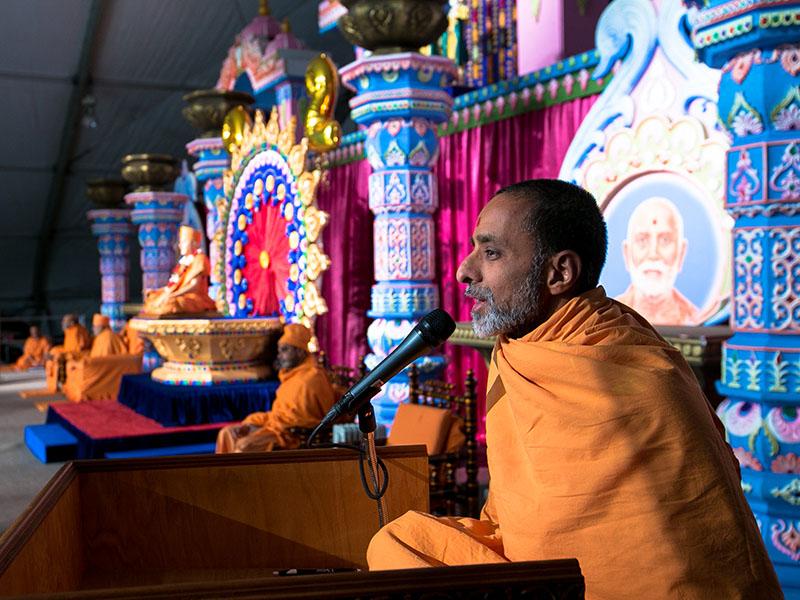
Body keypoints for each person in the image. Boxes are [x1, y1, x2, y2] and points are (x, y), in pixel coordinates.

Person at [367, 179, 781, 599]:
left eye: (491, 253)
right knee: (398, 542)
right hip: (542, 566)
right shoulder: (517, 349)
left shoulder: (636, 367)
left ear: (559, 272)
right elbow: (520, 514)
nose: (464, 271)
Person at [215, 323, 336, 453]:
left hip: (293, 436)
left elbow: (318, 417)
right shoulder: (290, 375)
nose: (279, 356)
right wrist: (252, 424)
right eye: (279, 351)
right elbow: (279, 415)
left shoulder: (313, 377)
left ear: (300, 352)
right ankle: (224, 473)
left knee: (244, 446)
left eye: (284, 350)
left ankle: (237, 473)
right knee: (227, 433)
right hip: (275, 427)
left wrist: (265, 427)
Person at [615, 196, 701, 325]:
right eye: (642, 240)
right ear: (627, 253)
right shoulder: (609, 316)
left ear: (681, 253)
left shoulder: (694, 318)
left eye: (665, 240)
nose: (653, 254)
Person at [141, 225, 217, 316]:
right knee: (152, 298)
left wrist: (174, 295)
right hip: (180, 295)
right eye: (180, 242)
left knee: (172, 303)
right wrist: (158, 291)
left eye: (184, 242)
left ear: (194, 243)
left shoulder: (199, 259)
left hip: (195, 298)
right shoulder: (184, 262)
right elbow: (175, 285)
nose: (180, 246)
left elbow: (194, 287)